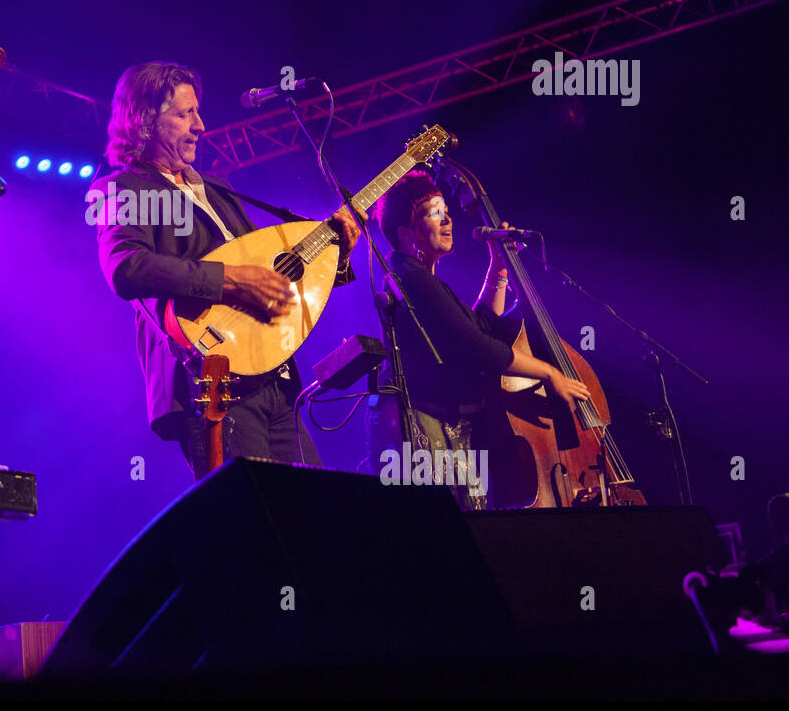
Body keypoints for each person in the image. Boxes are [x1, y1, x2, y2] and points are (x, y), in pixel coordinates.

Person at [90, 61, 361, 479]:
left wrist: (336, 257)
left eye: (198, 111)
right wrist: (229, 280)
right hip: (209, 381)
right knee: (253, 525)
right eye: (185, 114)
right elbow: (126, 267)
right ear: (144, 121)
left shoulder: (218, 188)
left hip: (274, 377)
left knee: (314, 518)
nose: (200, 125)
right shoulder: (124, 188)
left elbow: (270, 272)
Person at [367, 170, 590, 508]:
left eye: (446, 210)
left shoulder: (422, 280)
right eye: (434, 212)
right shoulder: (412, 279)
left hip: (445, 426)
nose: (448, 220)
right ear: (406, 232)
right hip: (426, 425)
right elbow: (476, 345)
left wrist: (498, 267)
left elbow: (482, 325)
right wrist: (550, 373)